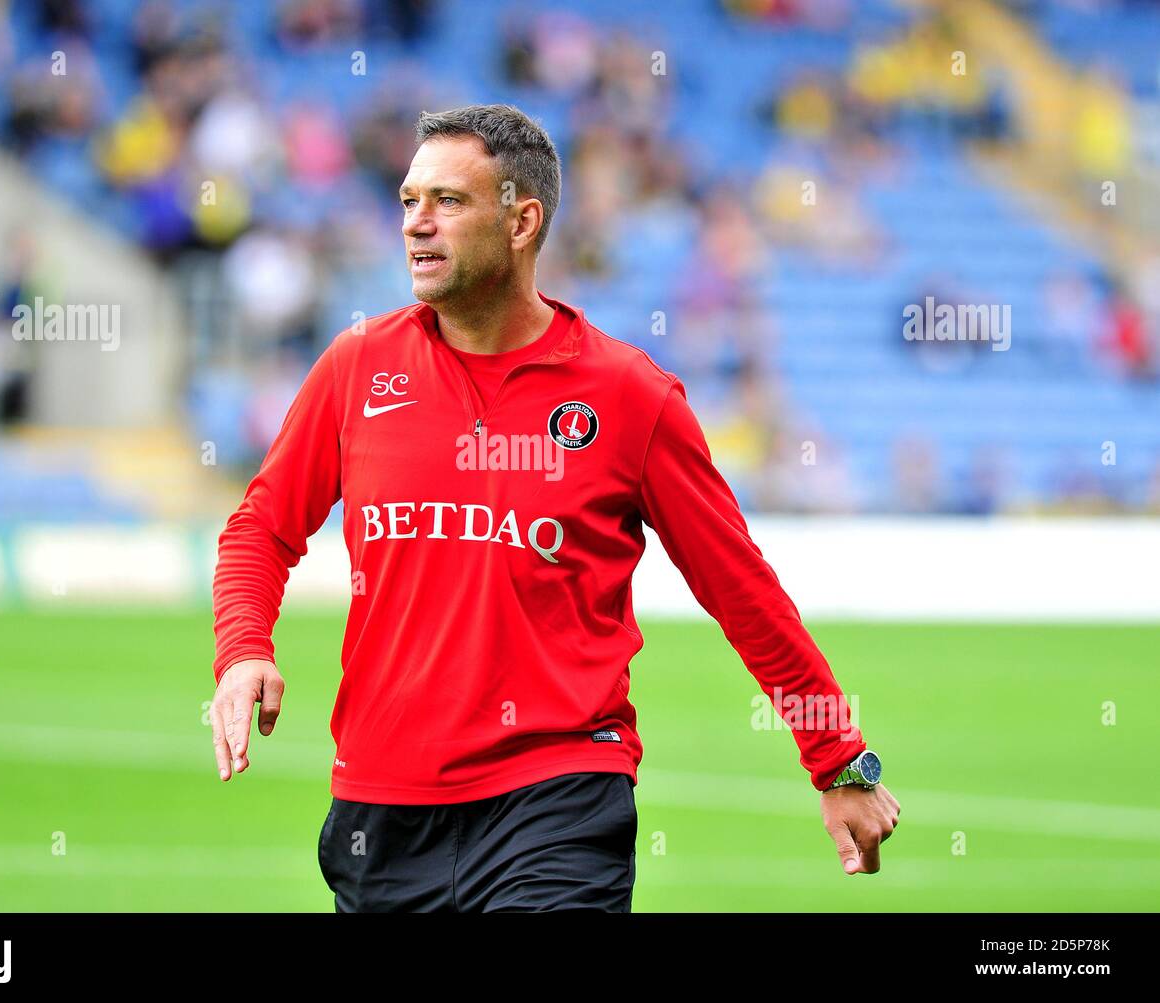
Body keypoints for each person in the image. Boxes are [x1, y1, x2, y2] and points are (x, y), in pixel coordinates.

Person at [209, 103, 899, 912]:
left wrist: (838, 758)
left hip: (560, 797)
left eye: (448, 202)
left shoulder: (629, 397)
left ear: (521, 220)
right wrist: (243, 647)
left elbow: (741, 589)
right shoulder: (356, 368)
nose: (416, 225)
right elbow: (259, 529)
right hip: (382, 810)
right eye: (407, 201)